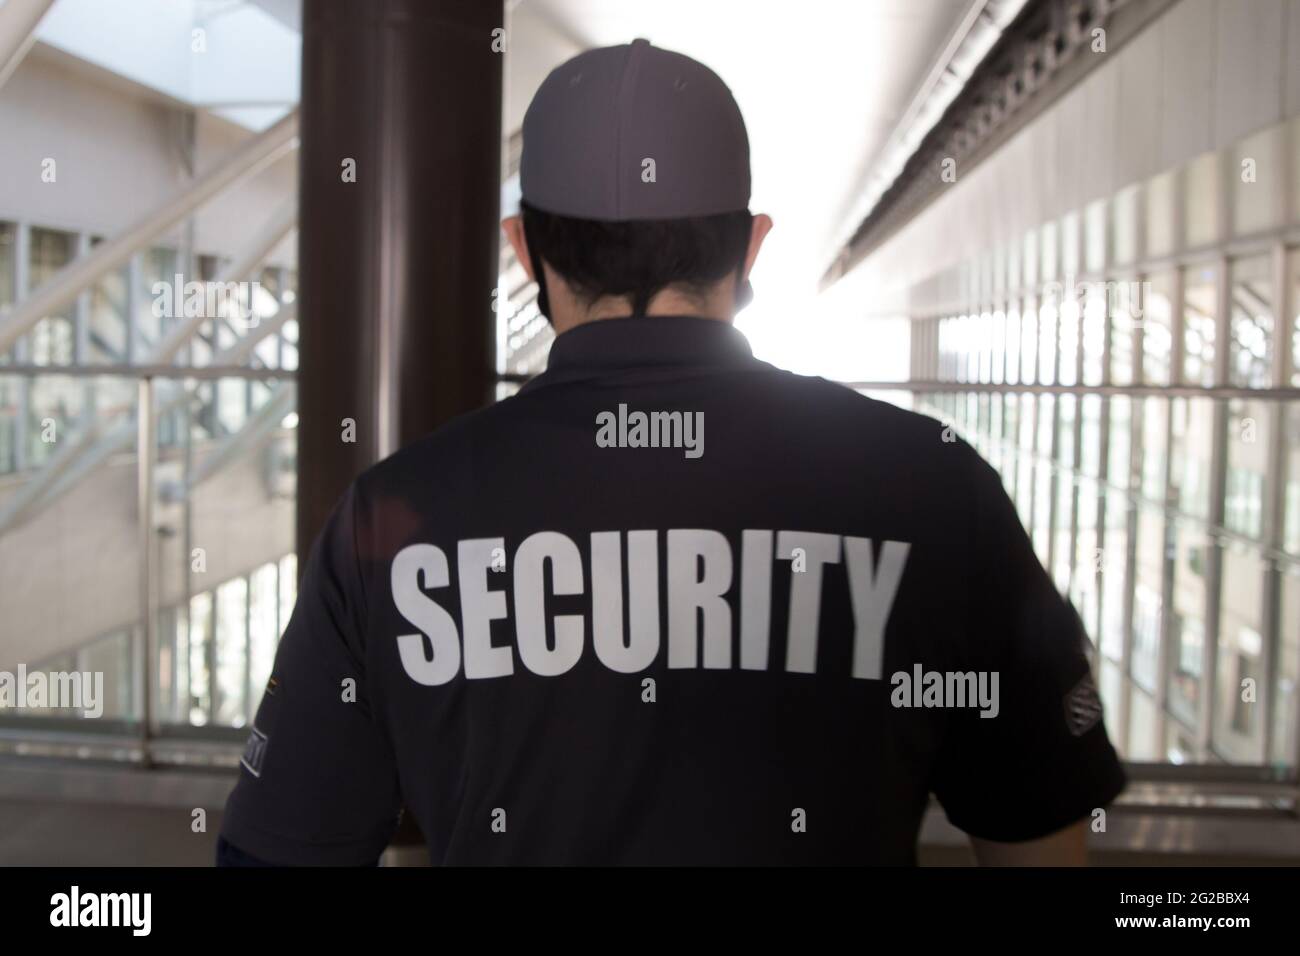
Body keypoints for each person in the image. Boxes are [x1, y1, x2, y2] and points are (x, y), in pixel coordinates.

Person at [218, 38, 1124, 866]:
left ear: (524, 250)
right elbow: (1036, 842)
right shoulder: (935, 489)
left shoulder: (390, 519)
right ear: (752, 245)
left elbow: (277, 856)